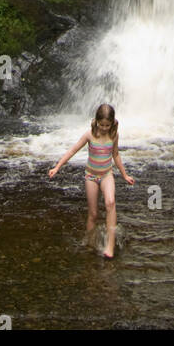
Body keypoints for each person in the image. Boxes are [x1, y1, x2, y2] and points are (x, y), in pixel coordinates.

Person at [48, 103, 134, 258]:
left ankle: (110, 246)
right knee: (93, 214)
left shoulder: (114, 134)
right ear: (96, 121)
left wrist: (124, 175)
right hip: (91, 177)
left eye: (107, 125)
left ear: (112, 123)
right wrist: (57, 167)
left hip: (107, 175)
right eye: (102, 125)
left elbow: (115, 154)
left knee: (110, 203)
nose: (104, 128)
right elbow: (73, 150)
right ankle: (90, 243)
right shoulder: (89, 134)